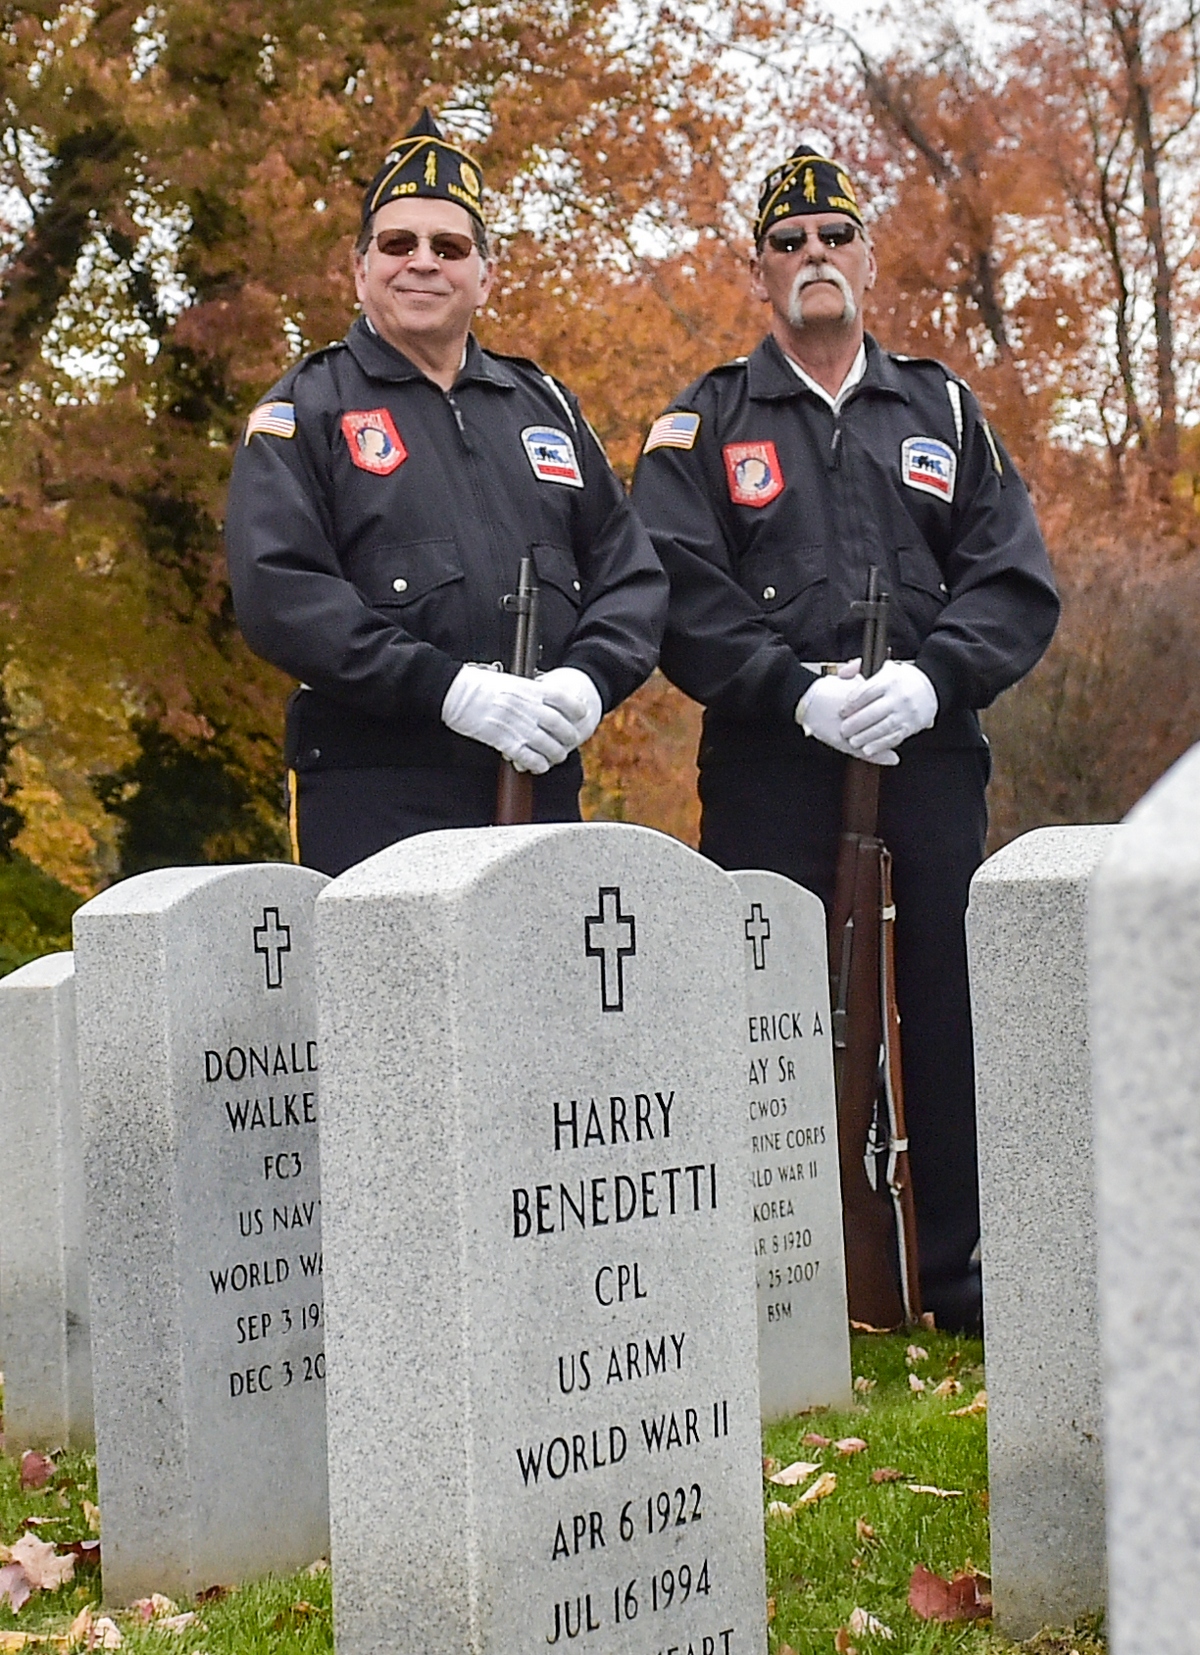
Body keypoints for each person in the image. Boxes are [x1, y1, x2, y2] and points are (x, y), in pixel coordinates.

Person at [631, 148, 1060, 1333]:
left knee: (943, 1006)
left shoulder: (943, 408)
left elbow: (1012, 579)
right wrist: (789, 690)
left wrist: (934, 681)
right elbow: (672, 585)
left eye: (834, 236)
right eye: (789, 242)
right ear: (758, 272)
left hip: (926, 758)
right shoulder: (704, 417)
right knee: (764, 1011)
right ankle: (773, 1285)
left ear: (866, 258)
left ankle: (956, 1279)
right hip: (773, 762)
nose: (814, 257)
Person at [225, 110, 667, 876]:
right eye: (398, 244)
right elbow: (279, 592)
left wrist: (589, 680)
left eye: (449, 247)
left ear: (484, 276)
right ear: (359, 269)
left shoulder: (546, 408)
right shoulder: (307, 408)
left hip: (539, 780)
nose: (422, 262)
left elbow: (631, 574)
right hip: (378, 791)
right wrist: (445, 690)